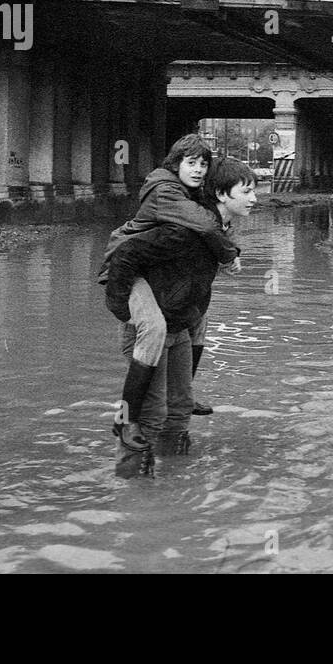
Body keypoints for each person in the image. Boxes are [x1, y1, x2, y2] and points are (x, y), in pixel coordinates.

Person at [101, 158, 256, 474]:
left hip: (180, 328)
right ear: (222, 194)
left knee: (179, 410)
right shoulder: (183, 232)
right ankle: (130, 483)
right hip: (149, 330)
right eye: (247, 191)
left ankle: (175, 482)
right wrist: (120, 307)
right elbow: (124, 256)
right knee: (153, 413)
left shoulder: (218, 231)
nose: (254, 199)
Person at [100, 134, 240, 417]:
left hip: (154, 267)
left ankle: (183, 393)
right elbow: (204, 223)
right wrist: (230, 255)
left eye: (203, 164)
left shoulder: (190, 190)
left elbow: (214, 222)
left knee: (199, 319)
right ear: (176, 164)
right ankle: (126, 416)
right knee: (154, 328)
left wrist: (230, 243)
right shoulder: (165, 191)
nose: (199, 169)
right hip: (127, 268)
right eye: (191, 163)